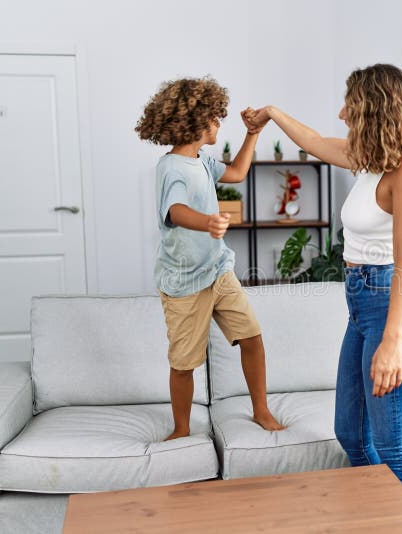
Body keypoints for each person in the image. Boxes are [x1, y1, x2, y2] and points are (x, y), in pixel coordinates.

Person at [243, 64, 402, 495]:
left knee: (390, 445)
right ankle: (376, 514)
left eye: (349, 104)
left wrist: (391, 342)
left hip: (392, 308)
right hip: (362, 306)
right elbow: (313, 141)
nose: (341, 113)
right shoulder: (371, 160)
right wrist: (272, 113)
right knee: (350, 434)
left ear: (373, 108)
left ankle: (398, 526)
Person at [135, 76, 285, 441]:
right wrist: (208, 222)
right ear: (195, 122)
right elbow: (175, 211)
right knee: (184, 363)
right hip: (184, 280)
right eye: (215, 118)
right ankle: (182, 429)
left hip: (218, 271)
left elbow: (236, 173)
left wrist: (252, 134)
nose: (220, 123)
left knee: (252, 337)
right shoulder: (171, 167)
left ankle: (261, 410)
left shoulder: (201, 159)